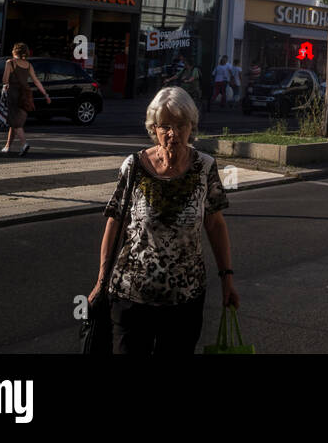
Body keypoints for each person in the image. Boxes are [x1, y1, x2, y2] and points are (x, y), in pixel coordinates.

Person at [88, 86, 238, 354]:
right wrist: (101, 280)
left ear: (191, 125)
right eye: (164, 126)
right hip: (132, 295)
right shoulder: (134, 166)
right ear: (153, 128)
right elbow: (115, 221)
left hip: (185, 298)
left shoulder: (205, 167)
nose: (173, 133)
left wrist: (227, 278)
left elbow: (215, 225)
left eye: (180, 125)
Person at [2, 43, 49, 156]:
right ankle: (7, 146)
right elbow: (36, 81)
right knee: (15, 121)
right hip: (25, 95)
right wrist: (45, 94)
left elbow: (4, 80)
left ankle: (24, 144)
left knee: (16, 123)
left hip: (13, 94)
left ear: (14, 51)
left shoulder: (10, 63)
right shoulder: (28, 65)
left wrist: (6, 84)